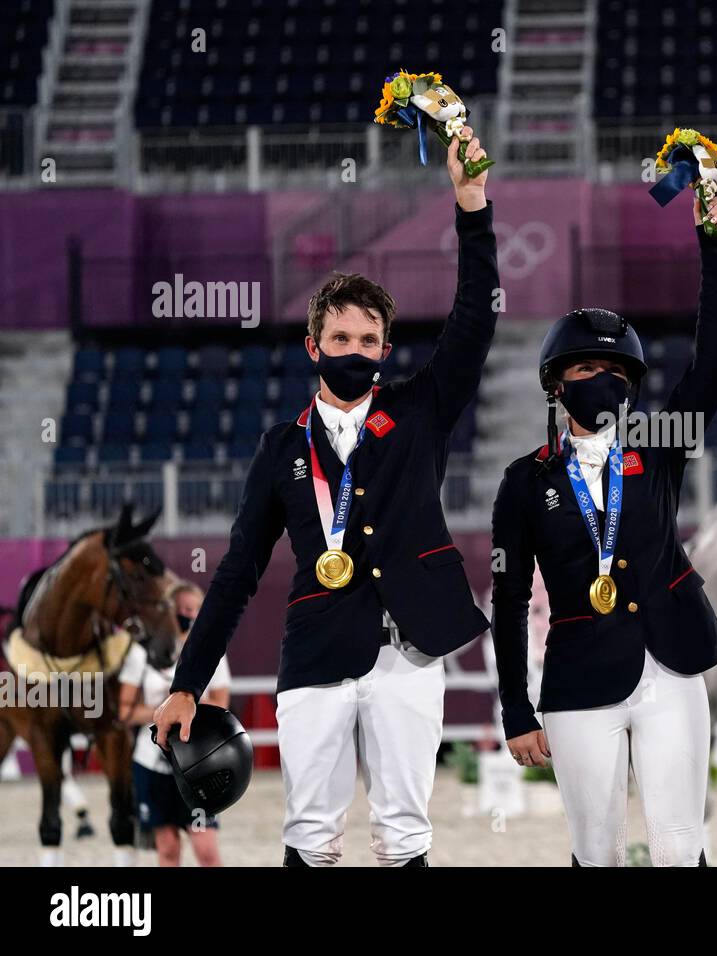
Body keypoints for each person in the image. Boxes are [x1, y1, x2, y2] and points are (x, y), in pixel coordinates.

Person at [153, 129, 498, 867]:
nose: (354, 350)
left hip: (408, 654)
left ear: (384, 350)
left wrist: (471, 206)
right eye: (339, 336)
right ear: (313, 347)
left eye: (368, 339)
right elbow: (240, 570)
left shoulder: (419, 411)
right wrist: (188, 684)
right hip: (315, 654)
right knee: (309, 835)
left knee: (404, 834)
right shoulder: (282, 448)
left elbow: (473, 322)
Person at [490, 194, 717, 867]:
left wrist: (716, 245)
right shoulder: (524, 480)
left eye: (616, 374)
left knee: (681, 847)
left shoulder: (660, 443)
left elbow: (712, 367)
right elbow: (509, 601)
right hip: (579, 677)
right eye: (584, 372)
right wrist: (516, 706)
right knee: (594, 852)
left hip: (673, 663)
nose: (601, 382)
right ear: (555, 387)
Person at [119, 581, 228, 866]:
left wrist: (186, 705)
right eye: (179, 608)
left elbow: (221, 704)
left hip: (197, 765)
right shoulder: (141, 652)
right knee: (167, 848)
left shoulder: (210, 651)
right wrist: (163, 711)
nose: (185, 614)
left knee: (205, 847)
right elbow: (125, 711)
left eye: (191, 609)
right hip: (152, 761)